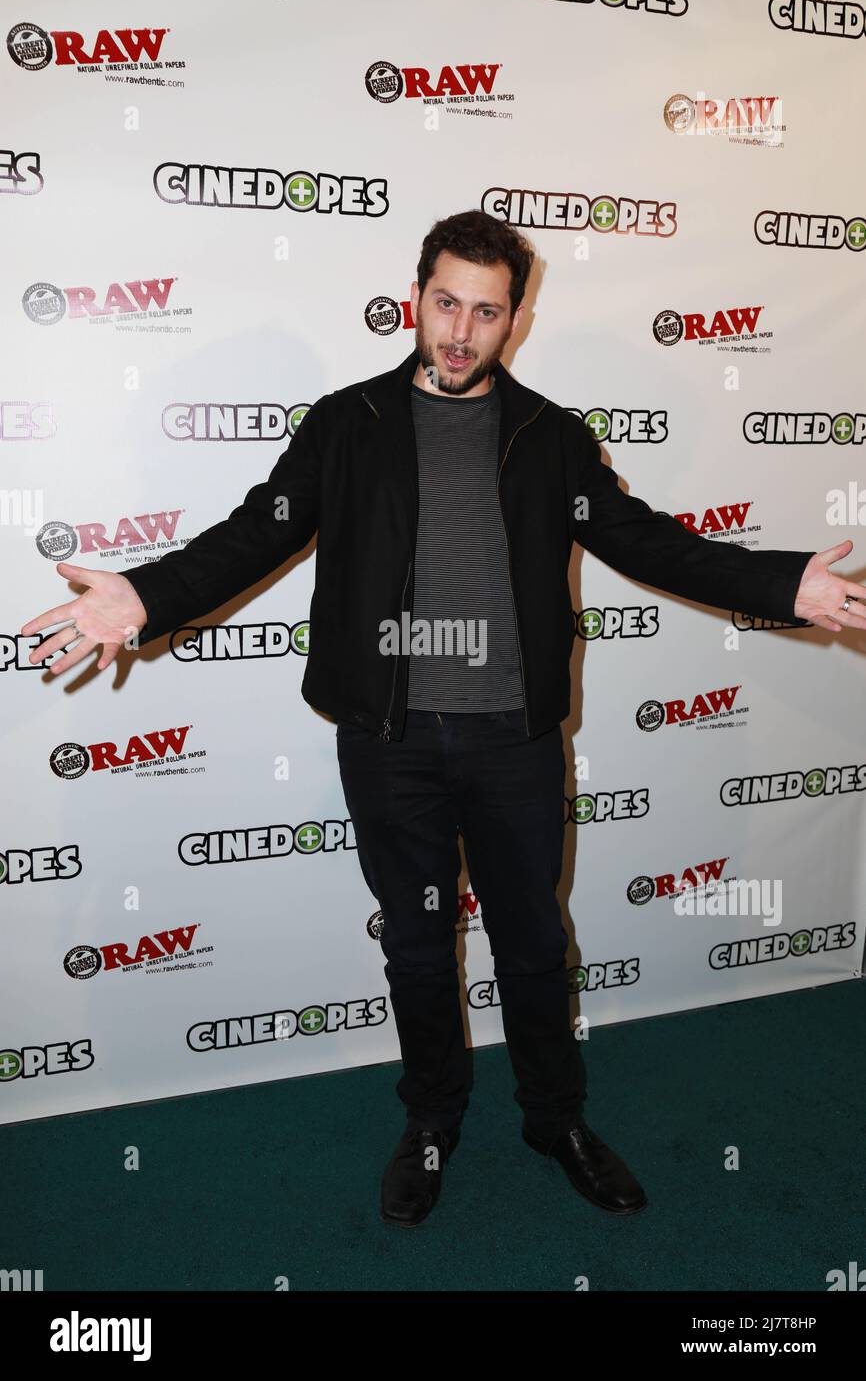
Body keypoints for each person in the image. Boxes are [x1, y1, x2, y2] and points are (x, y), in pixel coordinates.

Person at [21, 210, 866, 1229]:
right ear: (414, 300)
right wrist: (146, 596)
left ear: (516, 319)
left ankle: (555, 1120)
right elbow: (256, 534)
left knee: (532, 944)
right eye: (446, 304)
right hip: (393, 742)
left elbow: (648, 542)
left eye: (487, 312)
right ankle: (430, 1121)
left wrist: (779, 584)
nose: (461, 333)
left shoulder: (550, 437)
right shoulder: (347, 424)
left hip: (514, 740)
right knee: (418, 949)